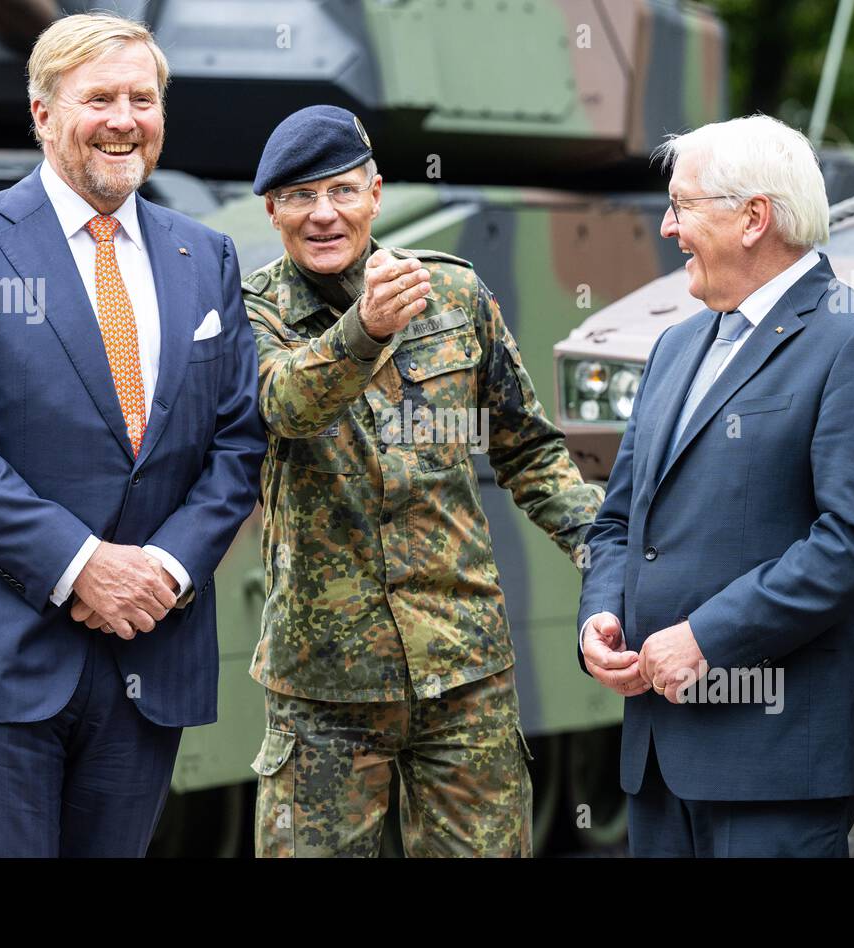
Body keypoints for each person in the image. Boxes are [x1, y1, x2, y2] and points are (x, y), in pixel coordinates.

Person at [0, 12, 265, 857]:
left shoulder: (204, 256)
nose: (124, 119)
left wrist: (160, 569)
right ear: (43, 113)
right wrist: (81, 565)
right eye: (99, 98)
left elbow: (239, 445)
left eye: (143, 97)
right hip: (0, 652)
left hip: (147, 654)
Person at [242, 105, 603, 857]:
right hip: (324, 690)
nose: (323, 214)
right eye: (300, 197)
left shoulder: (453, 296)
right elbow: (284, 405)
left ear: (377, 193)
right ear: (271, 208)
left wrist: (601, 549)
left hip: (464, 669)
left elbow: (527, 447)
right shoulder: (250, 311)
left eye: (341, 191)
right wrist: (363, 332)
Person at [578, 114, 854, 857]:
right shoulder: (675, 346)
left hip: (775, 768)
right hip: (659, 761)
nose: (669, 228)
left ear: (753, 219)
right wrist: (600, 617)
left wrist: (706, 639)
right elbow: (617, 524)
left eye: (683, 206)